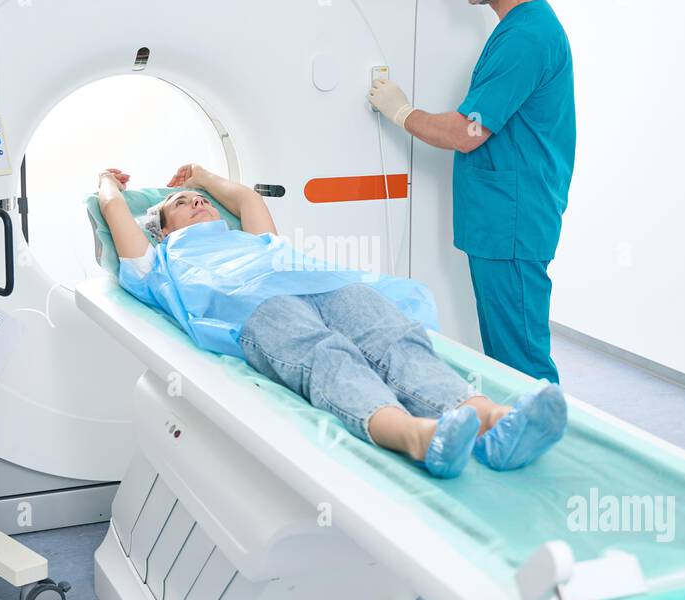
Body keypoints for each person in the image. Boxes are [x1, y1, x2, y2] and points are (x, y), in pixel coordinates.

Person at [97, 163, 566, 479]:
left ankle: (495, 423)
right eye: (181, 202)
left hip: (321, 284)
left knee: (395, 338)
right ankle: (417, 438)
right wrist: (106, 182)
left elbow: (241, 196)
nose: (197, 202)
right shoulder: (157, 262)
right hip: (254, 308)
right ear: (161, 227)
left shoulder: (258, 240)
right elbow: (114, 210)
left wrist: (201, 174)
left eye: (200, 199)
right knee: (327, 355)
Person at [367, 0, 575, 385]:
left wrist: (401, 111)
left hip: (514, 222)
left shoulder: (527, 35)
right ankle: (517, 439)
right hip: (504, 220)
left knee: (523, 364)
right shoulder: (518, 29)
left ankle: (545, 450)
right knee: (506, 357)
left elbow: (466, 132)